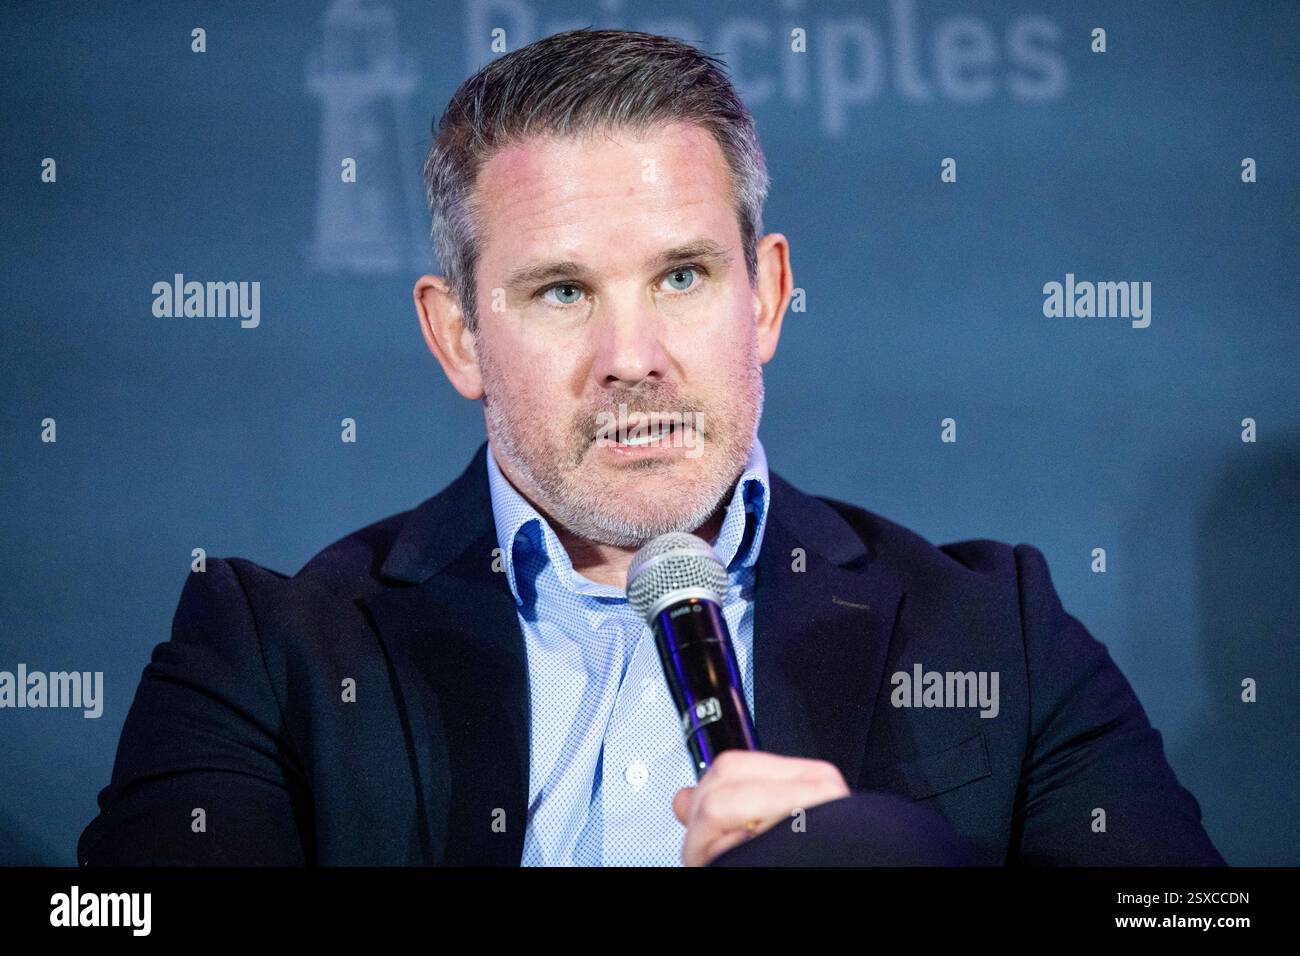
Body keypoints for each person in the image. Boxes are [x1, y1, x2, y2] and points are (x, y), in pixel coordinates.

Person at [78, 28, 1225, 867]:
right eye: (563, 290)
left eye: (682, 275)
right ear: (458, 335)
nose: (634, 355)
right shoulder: (264, 649)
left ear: (767, 296)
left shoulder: (999, 630)